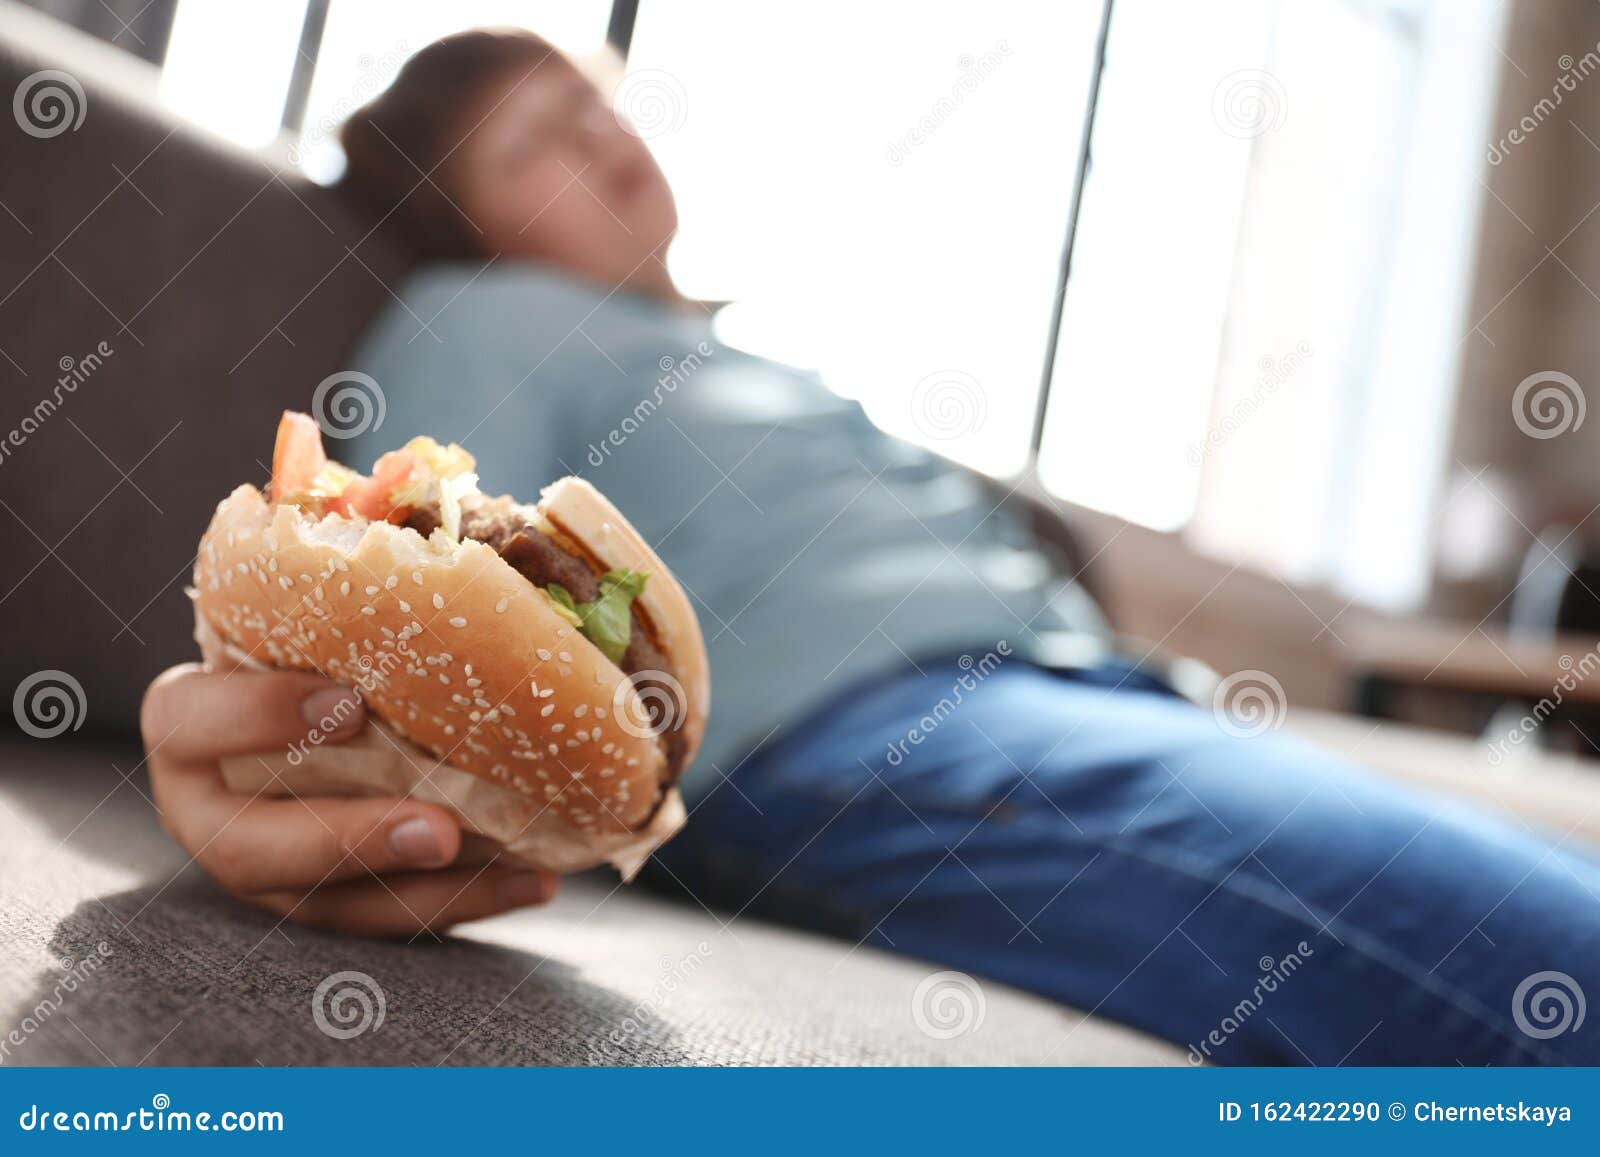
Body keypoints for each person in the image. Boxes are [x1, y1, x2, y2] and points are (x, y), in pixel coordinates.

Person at [140, 30, 1600, 1064]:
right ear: (455, 211)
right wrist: (277, 758)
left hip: (1091, 693)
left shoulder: (745, 362)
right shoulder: (484, 314)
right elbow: (401, 587)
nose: (608, 145)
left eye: (603, 110)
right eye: (539, 143)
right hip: (875, 732)